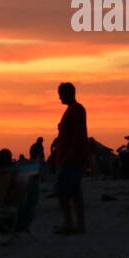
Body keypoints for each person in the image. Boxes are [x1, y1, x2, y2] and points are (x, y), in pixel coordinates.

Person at [50, 82, 88, 235]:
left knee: (63, 191)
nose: (59, 97)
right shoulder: (71, 110)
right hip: (69, 157)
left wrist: (68, 156)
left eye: (61, 94)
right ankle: (77, 225)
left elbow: (77, 135)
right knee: (73, 192)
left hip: (72, 158)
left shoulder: (77, 110)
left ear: (69, 93)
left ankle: (70, 223)